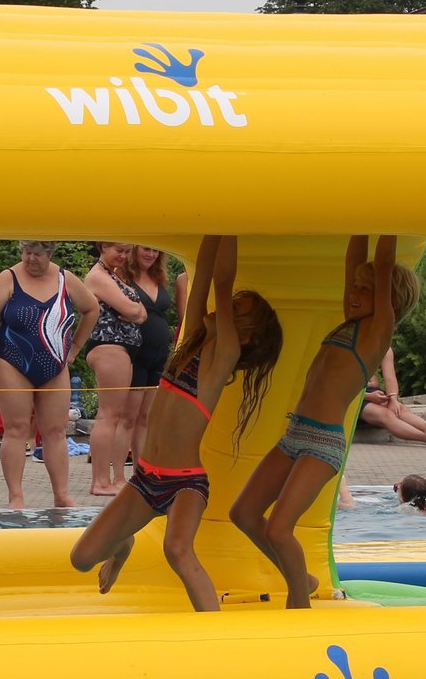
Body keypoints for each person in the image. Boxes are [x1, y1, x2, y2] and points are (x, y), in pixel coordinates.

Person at [72, 236, 282, 612]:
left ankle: (214, 638)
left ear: (245, 334)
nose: (226, 306)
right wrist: (208, 236)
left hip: (185, 482)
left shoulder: (223, 360)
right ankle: (123, 545)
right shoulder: (190, 345)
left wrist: (228, 229)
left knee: (177, 550)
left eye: (236, 310)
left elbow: (222, 281)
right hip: (145, 479)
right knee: (81, 558)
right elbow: (201, 280)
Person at [232, 236, 420, 609]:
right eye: (353, 287)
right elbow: (356, 261)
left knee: (279, 528)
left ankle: (299, 605)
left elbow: (381, 267)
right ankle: (301, 576)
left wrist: (390, 217)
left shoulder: (377, 330)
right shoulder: (349, 322)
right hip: (294, 434)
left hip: (323, 443)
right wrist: (357, 225)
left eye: (365, 290)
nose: (353, 293)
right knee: (244, 513)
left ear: (389, 302)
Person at [0, 240, 99, 508]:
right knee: (17, 428)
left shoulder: (66, 279)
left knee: (55, 430)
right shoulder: (8, 278)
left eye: (37, 254)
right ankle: (16, 496)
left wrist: (75, 346)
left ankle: (61, 495)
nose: (30, 258)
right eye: (26, 252)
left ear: (49, 254)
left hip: (54, 362)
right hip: (11, 360)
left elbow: (91, 309)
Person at [82, 241, 147, 496]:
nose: (124, 256)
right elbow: (132, 309)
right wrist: (136, 311)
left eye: (127, 251)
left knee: (115, 416)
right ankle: (100, 481)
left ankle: (107, 479)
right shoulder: (98, 276)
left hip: (121, 347)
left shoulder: (113, 275)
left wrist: (137, 312)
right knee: (108, 415)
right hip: (109, 345)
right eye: (118, 250)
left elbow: (139, 313)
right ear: (103, 248)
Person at [125, 244, 184, 465]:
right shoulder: (123, 277)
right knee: (128, 417)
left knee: (147, 417)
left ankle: (142, 467)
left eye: (155, 251)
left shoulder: (159, 277)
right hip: (135, 353)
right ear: (134, 250)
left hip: (159, 353)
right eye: (146, 249)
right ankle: (118, 472)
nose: (151, 254)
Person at [358, 346, 426, 446]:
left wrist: (393, 399)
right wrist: (368, 396)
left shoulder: (384, 347)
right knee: (386, 414)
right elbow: (341, 387)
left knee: (399, 409)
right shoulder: (347, 344)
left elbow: (390, 378)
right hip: (352, 397)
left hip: (370, 392)